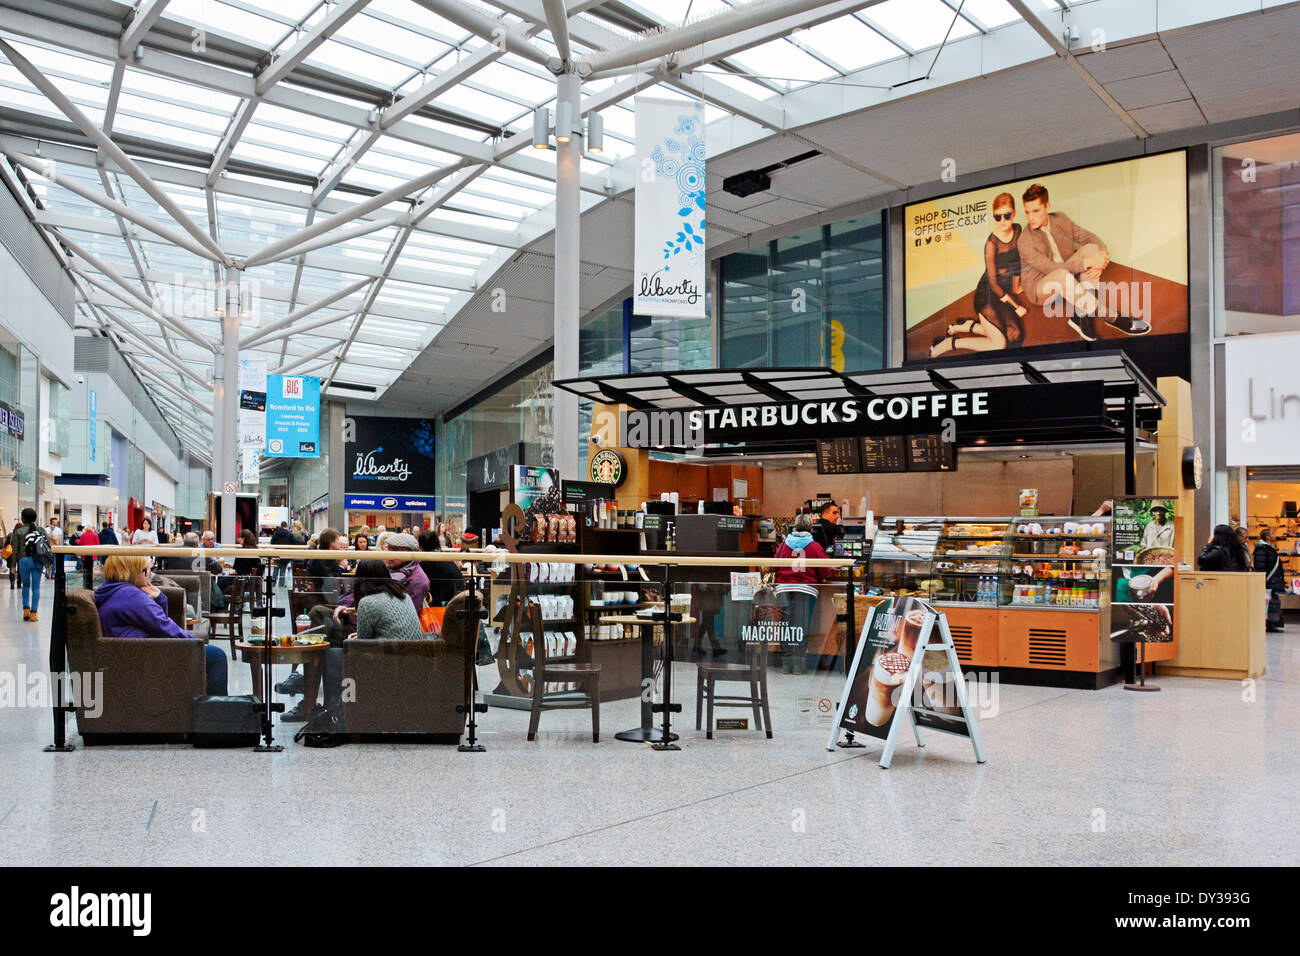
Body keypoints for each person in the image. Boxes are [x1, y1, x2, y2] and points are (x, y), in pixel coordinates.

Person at [1016, 182, 1150, 342]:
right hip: (1041, 288)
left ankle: (1080, 316)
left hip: (1068, 276)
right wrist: (1088, 263)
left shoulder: (1060, 218)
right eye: (1027, 212)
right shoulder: (1024, 241)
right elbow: (1052, 269)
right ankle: (1111, 316)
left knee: (1092, 248)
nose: (1031, 217)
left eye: (1036, 211)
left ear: (1047, 207)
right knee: (1061, 274)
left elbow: (1089, 237)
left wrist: (1102, 256)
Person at [94, 555, 228, 696]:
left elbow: (157, 623)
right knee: (216, 655)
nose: (149, 574)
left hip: (129, 654)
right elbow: (165, 627)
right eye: (146, 570)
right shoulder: (131, 595)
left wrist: (160, 599)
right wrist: (196, 644)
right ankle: (217, 711)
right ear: (132, 571)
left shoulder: (109, 590)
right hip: (145, 656)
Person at [931, 192, 1028, 357]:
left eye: (1007, 215)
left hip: (1004, 295)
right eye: (998, 217)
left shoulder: (1018, 230)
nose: (1003, 221)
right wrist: (1016, 307)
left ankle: (967, 326)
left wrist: (1016, 286)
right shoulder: (991, 244)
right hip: (988, 295)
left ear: (1014, 213)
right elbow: (994, 283)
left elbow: (1017, 262)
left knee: (1015, 335)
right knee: (999, 344)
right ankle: (950, 343)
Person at [773, 513, 833, 675]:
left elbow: (775, 565)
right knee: (802, 627)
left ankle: (786, 664)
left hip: (783, 589)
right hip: (805, 589)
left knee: (785, 626)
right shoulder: (815, 546)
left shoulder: (784, 545)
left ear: (795, 527)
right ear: (811, 529)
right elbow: (825, 571)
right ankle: (799, 665)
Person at [13, 507, 45, 622]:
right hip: (38, 561)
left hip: (24, 561)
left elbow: (15, 550)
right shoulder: (40, 530)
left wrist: (12, 566)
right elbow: (45, 547)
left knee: (25, 585)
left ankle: (26, 611)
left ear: (23, 518)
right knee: (36, 587)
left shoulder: (19, 531)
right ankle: (34, 614)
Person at [418, 528, 463, 606]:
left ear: (421, 547)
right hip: (457, 601)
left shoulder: (427, 563)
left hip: (445, 605)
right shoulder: (443, 557)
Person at [1254, 528, 1286, 632]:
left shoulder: (1268, 548)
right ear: (1267, 537)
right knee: (1268, 603)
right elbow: (1260, 566)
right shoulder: (1262, 549)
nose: (1274, 535)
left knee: (1272, 602)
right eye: (1272, 533)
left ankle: (1272, 623)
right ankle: (1269, 624)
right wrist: (1263, 578)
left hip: (1272, 581)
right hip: (1269, 581)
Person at [270, 521, 294, 586]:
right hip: (285, 554)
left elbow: (272, 543)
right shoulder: (289, 533)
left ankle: (273, 583)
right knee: (283, 570)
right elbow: (292, 543)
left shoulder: (275, 533)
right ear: (286, 526)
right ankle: (281, 584)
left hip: (276, 554)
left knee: (275, 570)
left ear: (281, 525)